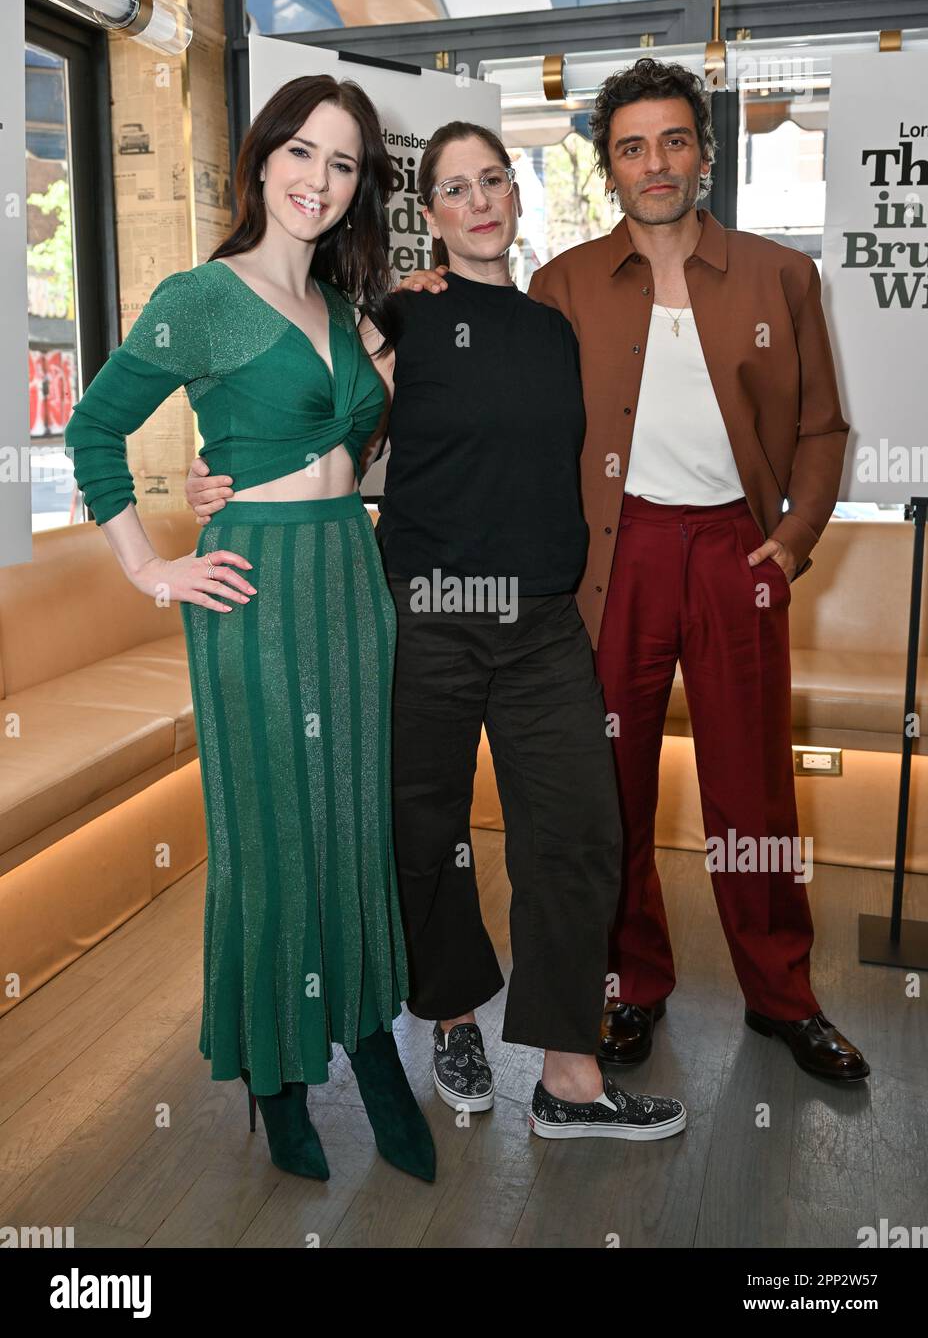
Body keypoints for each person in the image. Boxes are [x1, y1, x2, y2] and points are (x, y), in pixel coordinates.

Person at [185, 120, 687, 1143]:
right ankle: (451, 1018)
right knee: (426, 832)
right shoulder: (394, 324)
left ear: (514, 191)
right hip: (426, 612)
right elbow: (312, 432)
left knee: (580, 832)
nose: (478, 201)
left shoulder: (553, 324)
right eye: (453, 189)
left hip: (541, 620)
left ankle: (567, 1074)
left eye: (492, 180)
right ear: (429, 217)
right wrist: (213, 475)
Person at [397, 59, 869, 1084]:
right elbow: (487, 370)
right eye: (628, 147)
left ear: (703, 151)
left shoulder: (780, 276)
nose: (653, 164)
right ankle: (628, 985)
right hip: (612, 557)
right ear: (604, 166)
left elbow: (823, 427)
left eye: (671, 142)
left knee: (755, 791)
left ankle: (782, 996)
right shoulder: (560, 284)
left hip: (736, 551)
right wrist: (424, 293)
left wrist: (788, 544)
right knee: (602, 791)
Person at [63, 74, 436, 1185]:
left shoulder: (349, 311)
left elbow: (347, 455)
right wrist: (153, 567)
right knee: (274, 839)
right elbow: (94, 433)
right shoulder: (201, 296)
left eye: (343, 164)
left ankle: (369, 1038)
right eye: (302, 154)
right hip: (252, 593)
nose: (319, 181)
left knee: (353, 826)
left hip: (347, 581)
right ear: (262, 159)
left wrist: (234, 466)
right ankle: (275, 1072)